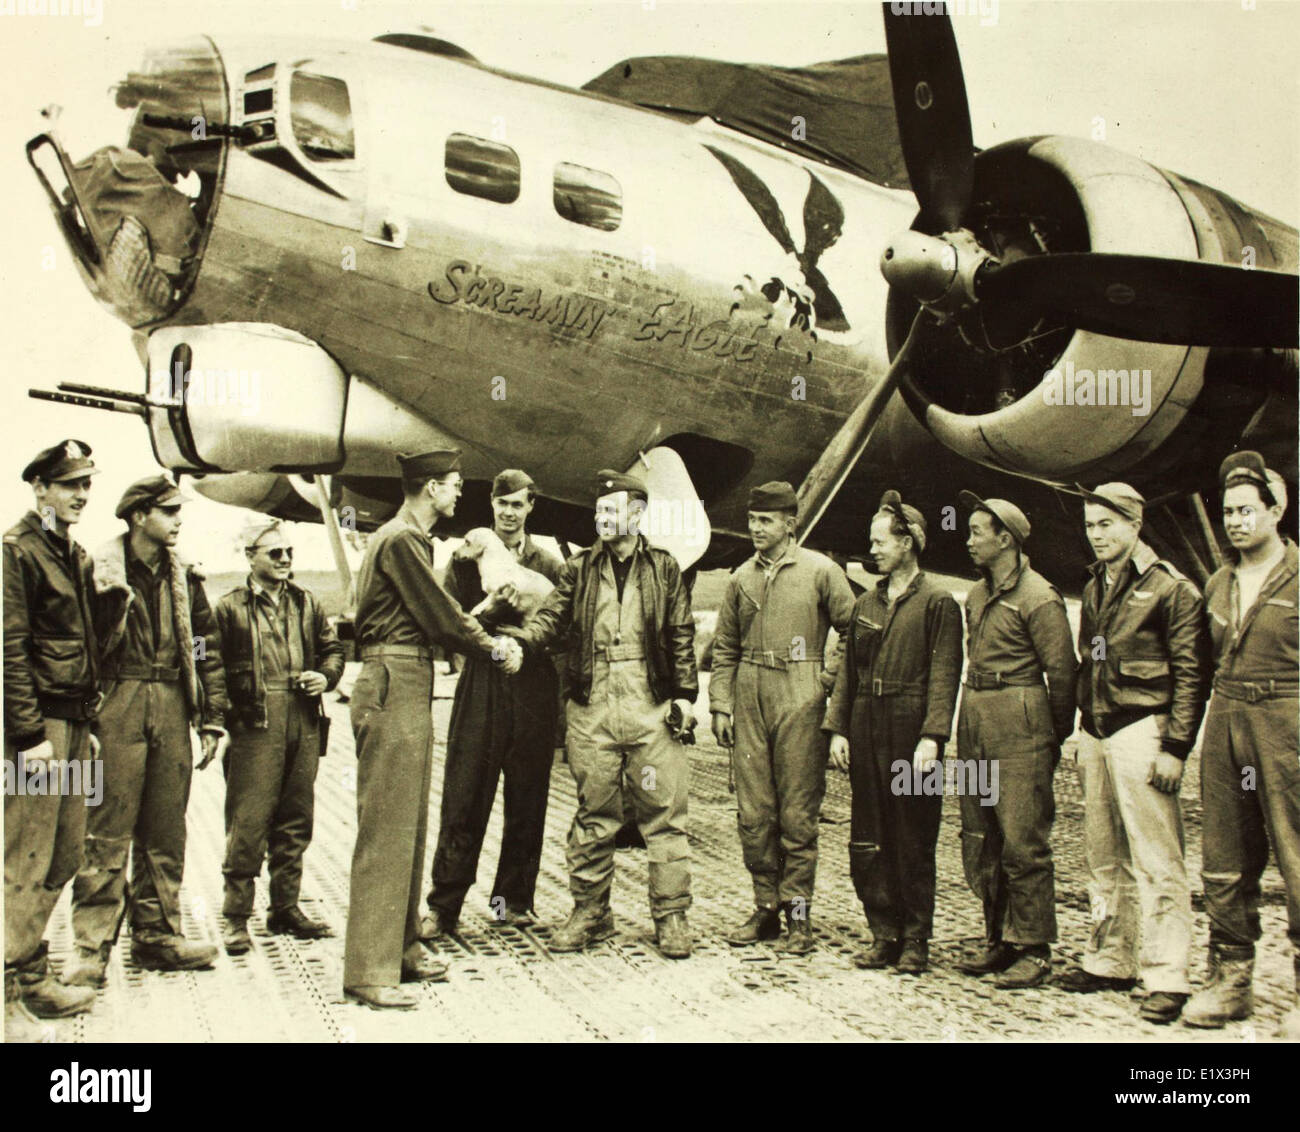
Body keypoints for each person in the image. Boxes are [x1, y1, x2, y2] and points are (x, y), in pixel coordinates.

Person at [343, 450, 522, 1010]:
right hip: (393, 675)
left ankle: (402, 948)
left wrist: (479, 622)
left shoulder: (405, 540)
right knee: (386, 829)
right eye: (452, 485)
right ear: (429, 489)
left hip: (408, 676)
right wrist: (490, 644)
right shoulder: (402, 540)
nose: (458, 494)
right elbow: (440, 615)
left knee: (410, 823)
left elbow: (438, 613)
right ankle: (369, 969)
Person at [514, 470, 698, 959]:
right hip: (593, 706)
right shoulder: (579, 570)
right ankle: (591, 913)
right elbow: (552, 615)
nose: (601, 519)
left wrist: (684, 696)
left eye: (610, 511)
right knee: (595, 814)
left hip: (650, 705)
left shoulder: (664, 568)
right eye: (598, 511)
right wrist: (523, 642)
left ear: (636, 515)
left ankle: (671, 915)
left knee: (663, 814)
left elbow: (680, 633)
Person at [1054, 484, 1209, 1024]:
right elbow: (1088, 660)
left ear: (1135, 524)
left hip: (1143, 730)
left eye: (1107, 525)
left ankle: (1168, 974)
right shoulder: (1095, 584)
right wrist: (1081, 729)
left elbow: (1192, 674)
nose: (1097, 535)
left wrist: (1176, 747)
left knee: (1157, 858)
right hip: (1097, 733)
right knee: (1103, 856)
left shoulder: (1173, 590)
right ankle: (1110, 958)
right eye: (1091, 525)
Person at [67, 474, 228, 986]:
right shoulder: (98, 574)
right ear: (139, 516)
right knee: (107, 828)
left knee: (165, 827)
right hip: (119, 701)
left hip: (172, 701)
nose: (179, 521)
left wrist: (211, 717)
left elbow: (206, 648)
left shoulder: (186, 579)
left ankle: (157, 937)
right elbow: (81, 647)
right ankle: (91, 949)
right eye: (169, 511)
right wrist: (83, 718)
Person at [711, 481, 855, 954]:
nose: (755, 528)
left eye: (766, 520)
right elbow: (725, 647)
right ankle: (764, 908)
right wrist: (721, 705)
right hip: (751, 691)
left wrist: (827, 679)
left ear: (790, 524)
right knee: (754, 813)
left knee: (797, 814)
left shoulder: (821, 571)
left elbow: (853, 630)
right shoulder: (739, 578)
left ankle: (799, 916)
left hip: (801, 692)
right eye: (752, 520)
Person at [419, 469, 564, 937]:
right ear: (493, 509)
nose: (509, 512)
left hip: (533, 683)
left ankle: (512, 903)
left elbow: (561, 624)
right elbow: (447, 617)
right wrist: (487, 636)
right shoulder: (466, 561)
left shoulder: (548, 562)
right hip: (482, 680)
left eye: (518, 504)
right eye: (502, 505)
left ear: (530, 508)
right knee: (465, 791)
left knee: (527, 798)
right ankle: (445, 906)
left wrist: (526, 645)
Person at [1184, 452, 1299, 1040]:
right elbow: (1199, 669)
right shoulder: (1218, 582)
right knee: (1224, 854)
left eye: (1247, 510)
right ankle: (1231, 979)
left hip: (1286, 721)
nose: (1234, 521)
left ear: (1276, 511)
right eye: (1227, 511)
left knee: (1297, 855)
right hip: (1227, 717)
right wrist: (1184, 739)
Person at [823, 490, 962, 974]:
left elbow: (945, 675)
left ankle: (916, 939)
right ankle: (883, 933)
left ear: (909, 543)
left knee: (914, 835)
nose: (873, 550)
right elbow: (847, 674)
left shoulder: (939, 602)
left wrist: (933, 737)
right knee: (868, 833)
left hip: (911, 727)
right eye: (872, 541)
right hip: (866, 722)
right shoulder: (866, 602)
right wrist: (837, 729)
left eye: (881, 542)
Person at [954, 491, 1077, 989]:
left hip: (1020, 719)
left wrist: (1049, 737)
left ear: (1005, 540)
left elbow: (1063, 674)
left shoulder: (1039, 597)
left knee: (1024, 840)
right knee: (982, 835)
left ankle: (1033, 947)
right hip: (977, 715)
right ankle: (998, 939)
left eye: (977, 533)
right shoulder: (978, 595)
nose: (968, 542)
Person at [4, 441, 102, 1039]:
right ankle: (15, 989)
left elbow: (84, 646)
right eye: (68, 484)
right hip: (39, 729)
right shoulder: (18, 552)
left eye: (86, 483)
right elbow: (8, 646)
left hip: (74, 724)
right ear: (39, 487)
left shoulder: (72, 553)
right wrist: (27, 735)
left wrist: (87, 727)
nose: (80, 495)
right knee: (25, 856)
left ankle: (29, 970)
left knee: (65, 853)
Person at [212, 518, 345, 955]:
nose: (285, 559)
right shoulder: (229, 608)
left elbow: (332, 649)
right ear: (250, 556)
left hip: (303, 718)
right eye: (275, 553)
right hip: (255, 724)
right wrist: (225, 715)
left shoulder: (307, 602)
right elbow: (210, 665)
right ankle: (235, 917)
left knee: (296, 817)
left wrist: (324, 677)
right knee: (249, 820)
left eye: (289, 552)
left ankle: (285, 908)